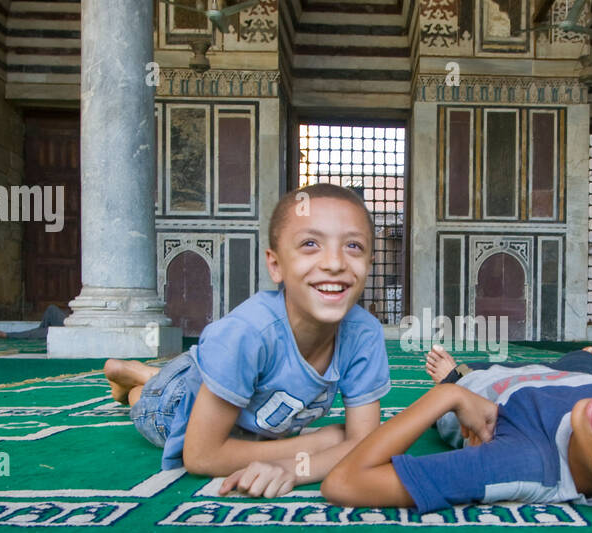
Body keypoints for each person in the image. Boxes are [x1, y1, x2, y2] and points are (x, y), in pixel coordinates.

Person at [105, 183, 390, 494]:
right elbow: (201, 456)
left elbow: (364, 443)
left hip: (221, 381)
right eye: (310, 243)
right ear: (276, 265)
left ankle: (147, 373)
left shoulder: (365, 333)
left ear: (369, 264)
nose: (334, 263)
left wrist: (292, 469)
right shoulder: (246, 333)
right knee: (149, 401)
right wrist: (313, 443)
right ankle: (133, 381)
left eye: (353, 246)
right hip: (172, 403)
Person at [321, 349, 592, 529]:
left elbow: (343, 483)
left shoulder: (520, 464)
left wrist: (448, 396)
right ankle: (564, 364)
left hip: (483, 394)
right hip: (554, 379)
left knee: (479, 376)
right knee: (582, 364)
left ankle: (457, 372)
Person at [0, 305, 68, 340]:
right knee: (52, 309)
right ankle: (39, 333)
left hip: (74, 330)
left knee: (47, 331)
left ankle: (6, 335)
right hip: (72, 323)